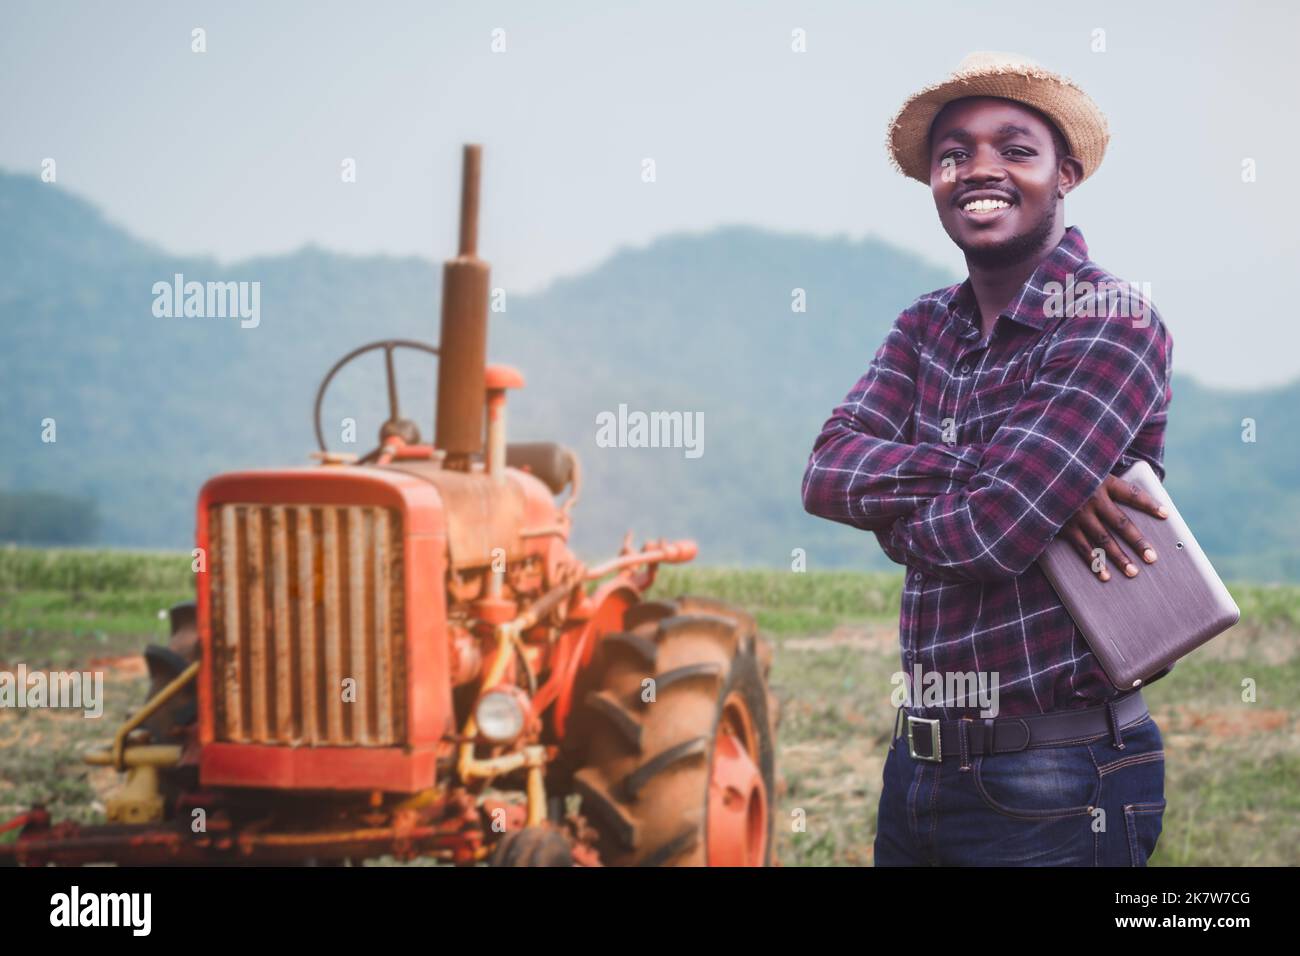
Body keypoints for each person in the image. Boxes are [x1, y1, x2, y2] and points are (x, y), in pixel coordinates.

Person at [801, 52, 1173, 866]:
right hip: (921, 767)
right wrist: (1026, 479)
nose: (980, 170)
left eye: (1014, 148)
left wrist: (916, 504)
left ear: (1065, 173)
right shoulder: (923, 325)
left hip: (1059, 773)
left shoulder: (1113, 322)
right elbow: (826, 472)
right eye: (954, 154)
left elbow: (987, 537)